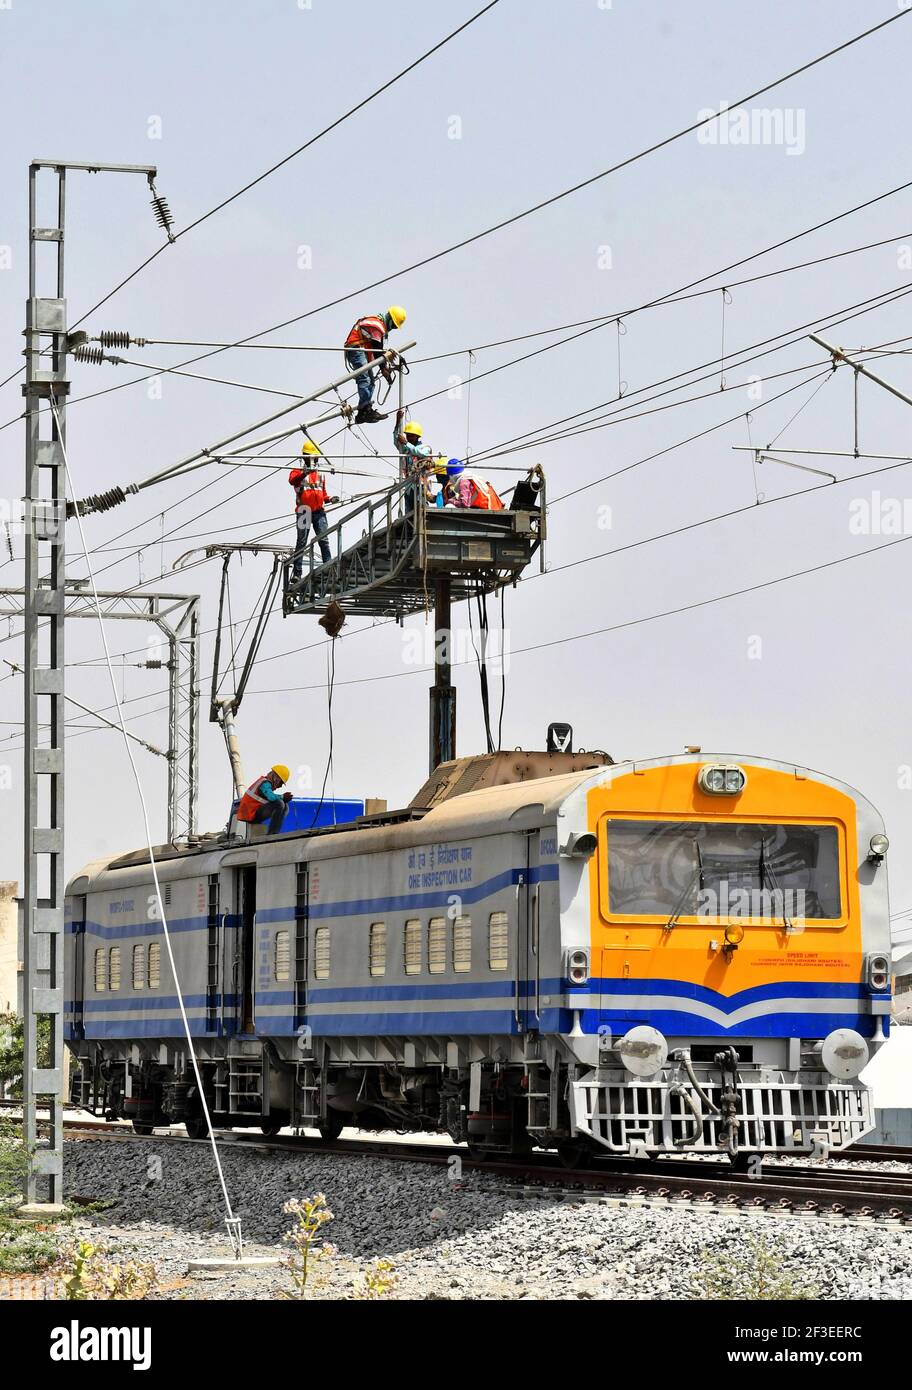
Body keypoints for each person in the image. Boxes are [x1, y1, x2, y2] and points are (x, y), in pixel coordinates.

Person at [344, 306, 407, 423]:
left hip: (361, 351)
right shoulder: (376, 325)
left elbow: (378, 351)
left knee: (371, 383)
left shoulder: (379, 329)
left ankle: (363, 412)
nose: (392, 328)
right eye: (393, 325)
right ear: (389, 319)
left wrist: (385, 367)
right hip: (356, 349)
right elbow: (376, 349)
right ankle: (365, 410)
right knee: (365, 380)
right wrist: (383, 368)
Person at [289, 441, 338, 576]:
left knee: (324, 539)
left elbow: (323, 494)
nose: (316, 460)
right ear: (306, 457)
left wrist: (330, 499)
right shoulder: (297, 471)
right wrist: (304, 473)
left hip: (319, 511)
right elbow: (292, 481)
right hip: (303, 510)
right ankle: (297, 573)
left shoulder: (320, 474)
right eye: (314, 457)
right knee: (302, 541)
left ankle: (328, 568)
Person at [236, 764, 293, 836]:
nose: (280, 786)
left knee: (285, 806)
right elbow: (271, 797)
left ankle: (275, 831)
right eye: (281, 782)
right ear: (275, 777)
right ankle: (272, 833)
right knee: (279, 803)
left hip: (253, 812)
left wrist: (283, 798)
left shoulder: (267, 784)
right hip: (249, 814)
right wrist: (282, 797)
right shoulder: (265, 783)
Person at [394, 411, 432, 511]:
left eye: (411, 435)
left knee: (421, 510)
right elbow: (396, 439)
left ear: (417, 436)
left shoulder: (425, 448)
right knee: (409, 513)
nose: (409, 438)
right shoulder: (406, 448)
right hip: (408, 486)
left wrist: (406, 443)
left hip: (421, 485)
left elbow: (421, 454)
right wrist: (398, 421)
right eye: (408, 435)